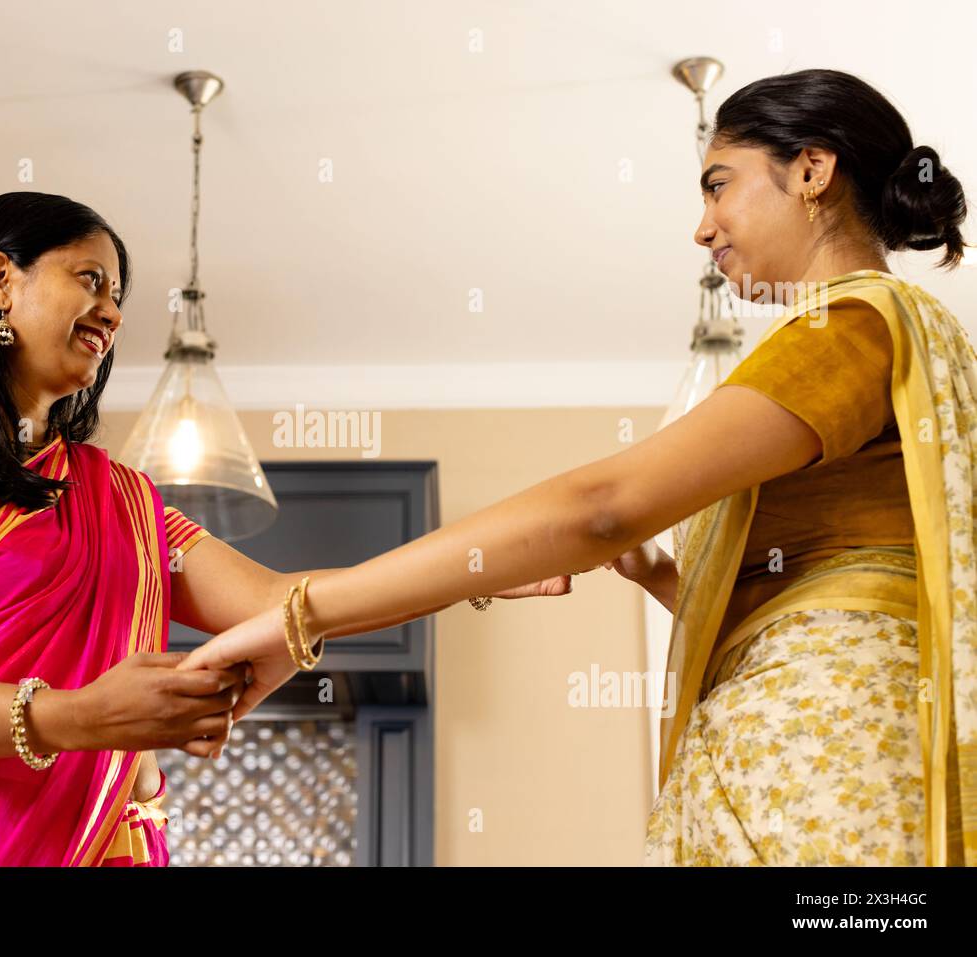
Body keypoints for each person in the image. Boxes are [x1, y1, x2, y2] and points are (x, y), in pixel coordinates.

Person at [182, 69, 975, 866]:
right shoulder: (878, 338)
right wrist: (663, 575)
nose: (702, 229)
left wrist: (307, 612)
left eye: (718, 186)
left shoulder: (854, 326)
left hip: (824, 751)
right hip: (820, 744)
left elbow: (601, 504)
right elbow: (818, 589)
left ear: (811, 169)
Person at [0, 191, 556, 866]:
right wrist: (76, 717)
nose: (114, 313)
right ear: (1, 279)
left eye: (118, 294)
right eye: (90, 279)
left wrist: (476, 568)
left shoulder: (121, 497)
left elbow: (282, 601)